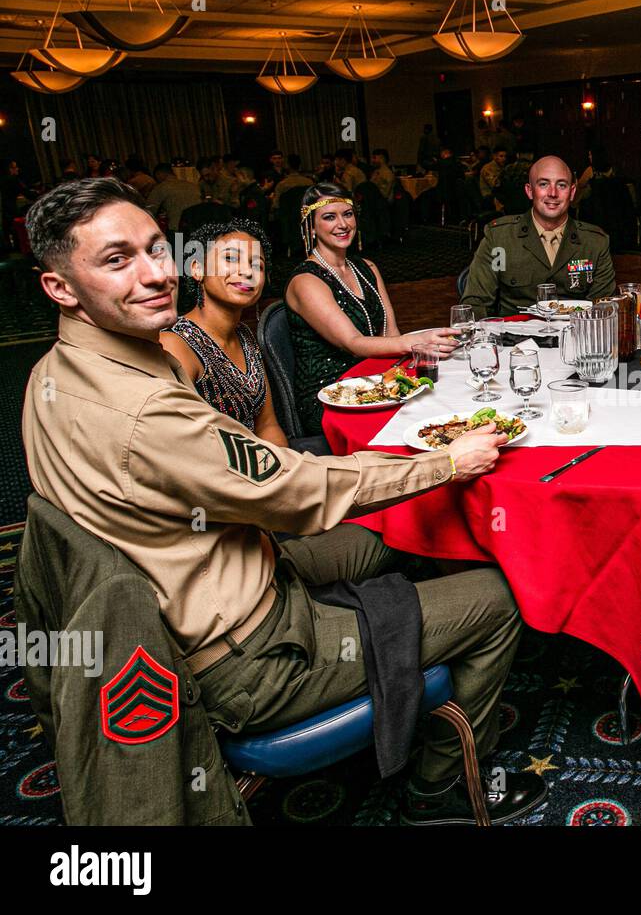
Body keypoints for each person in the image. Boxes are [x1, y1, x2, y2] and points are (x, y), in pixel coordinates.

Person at [21, 177, 546, 825]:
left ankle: (411, 655)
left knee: (391, 528)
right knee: (498, 597)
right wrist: (446, 462)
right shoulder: (143, 408)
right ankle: (439, 789)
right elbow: (298, 490)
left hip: (215, 577)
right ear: (60, 287)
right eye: (116, 260)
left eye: (156, 250)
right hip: (251, 652)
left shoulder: (50, 374)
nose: (154, 275)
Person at [286, 183, 460, 434]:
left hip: (376, 377)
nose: (343, 224)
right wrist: (416, 341)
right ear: (311, 227)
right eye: (329, 217)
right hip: (331, 395)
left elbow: (392, 334)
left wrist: (409, 358)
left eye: (347, 214)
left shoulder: (367, 268)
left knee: (438, 408)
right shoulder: (306, 281)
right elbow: (352, 343)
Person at [160, 219, 286, 445]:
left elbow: (267, 425)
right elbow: (178, 446)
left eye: (257, 264)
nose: (248, 271)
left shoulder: (245, 336)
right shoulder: (176, 344)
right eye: (230, 258)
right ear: (197, 269)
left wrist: (286, 471)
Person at [461, 155, 616, 319]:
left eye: (561, 185)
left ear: (572, 192)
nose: (553, 193)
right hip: (514, 339)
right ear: (529, 191)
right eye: (543, 184)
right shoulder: (500, 239)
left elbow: (603, 307)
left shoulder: (595, 242)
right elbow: (476, 302)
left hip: (577, 336)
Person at [145, 163, 201, 229]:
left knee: (177, 237)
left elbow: (149, 211)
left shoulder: (161, 187)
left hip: (178, 230)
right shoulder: (193, 185)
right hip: (197, 228)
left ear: (159, 174)